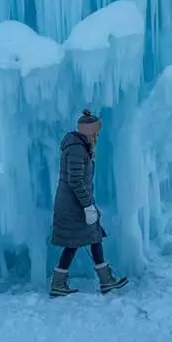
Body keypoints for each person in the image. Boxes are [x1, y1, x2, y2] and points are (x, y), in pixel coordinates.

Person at [49, 109, 127, 298]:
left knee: (90, 237)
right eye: (96, 133)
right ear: (89, 132)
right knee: (83, 239)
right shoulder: (76, 148)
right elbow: (75, 180)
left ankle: (102, 280)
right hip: (73, 205)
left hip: (77, 203)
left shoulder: (80, 145)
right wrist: (87, 206)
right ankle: (99, 280)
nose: (97, 136)